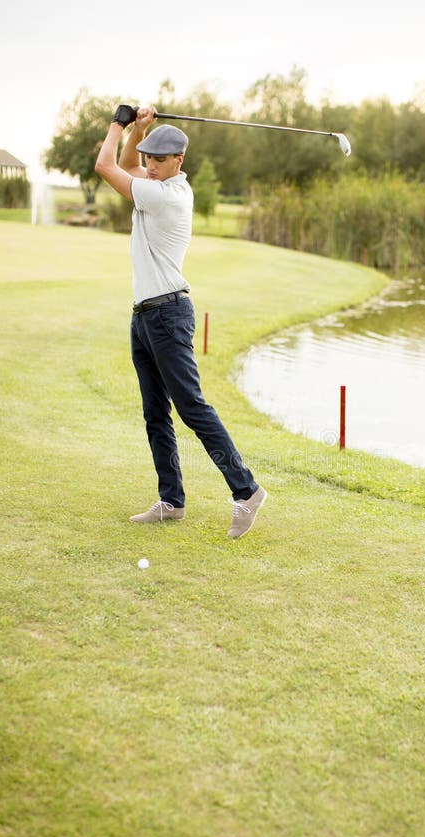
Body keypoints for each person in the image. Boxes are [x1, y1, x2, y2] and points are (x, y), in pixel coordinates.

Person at [94, 104, 266, 538]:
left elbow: (107, 165)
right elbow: (131, 163)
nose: (149, 165)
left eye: (158, 159)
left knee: (191, 407)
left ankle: (246, 490)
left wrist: (118, 124)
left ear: (178, 162)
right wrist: (140, 130)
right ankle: (171, 500)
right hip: (145, 314)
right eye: (149, 157)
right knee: (156, 412)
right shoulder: (155, 183)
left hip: (167, 315)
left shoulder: (166, 195)